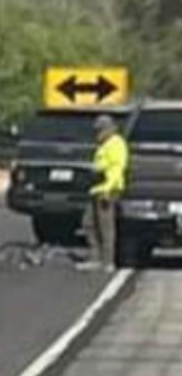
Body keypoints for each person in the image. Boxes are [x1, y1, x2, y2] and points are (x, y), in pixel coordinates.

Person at [82, 114, 128, 271]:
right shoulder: (104, 144)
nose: (98, 132)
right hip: (97, 189)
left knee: (106, 227)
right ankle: (95, 258)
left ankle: (108, 262)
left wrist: (108, 189)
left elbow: (116, 168)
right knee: (88, 223)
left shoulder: (116, 144)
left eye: (101, 129)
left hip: (108, 189)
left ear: (110, 128)